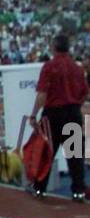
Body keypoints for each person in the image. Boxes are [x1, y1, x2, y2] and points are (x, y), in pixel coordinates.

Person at [29, 31, 87, 201]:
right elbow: (84, 92)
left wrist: (33, 115)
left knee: (46, 153)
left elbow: (42, 94)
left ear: (54, 48)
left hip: (53, 114)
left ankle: (40, 189)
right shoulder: (77, 68)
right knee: (75, 155)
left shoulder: (49, 67)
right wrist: (76, 106)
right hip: (73, 112)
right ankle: (78, 191)